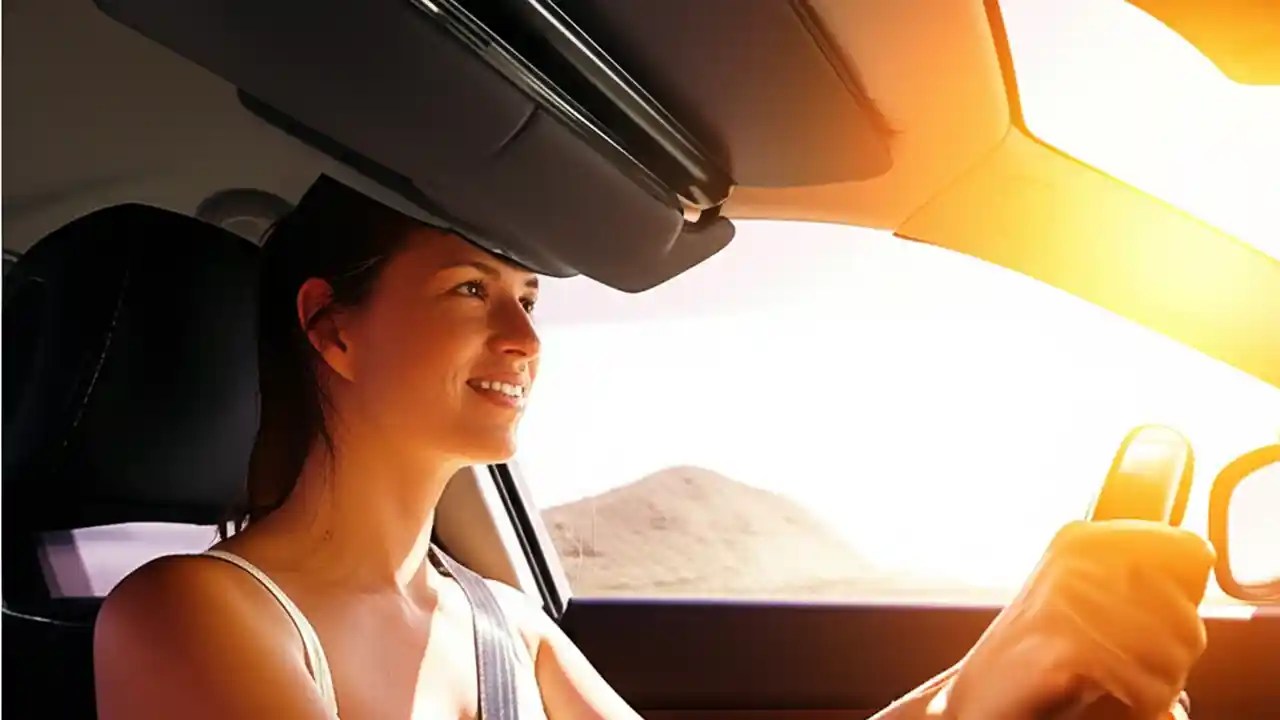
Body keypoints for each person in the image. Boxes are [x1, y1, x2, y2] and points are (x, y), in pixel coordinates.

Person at [94, 178, 1209, 719]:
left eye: (529, 297)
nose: (525, 336)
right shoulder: (189, 617)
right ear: (332, 328)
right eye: (471, 289)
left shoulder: (503, 624)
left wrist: (996, 668)